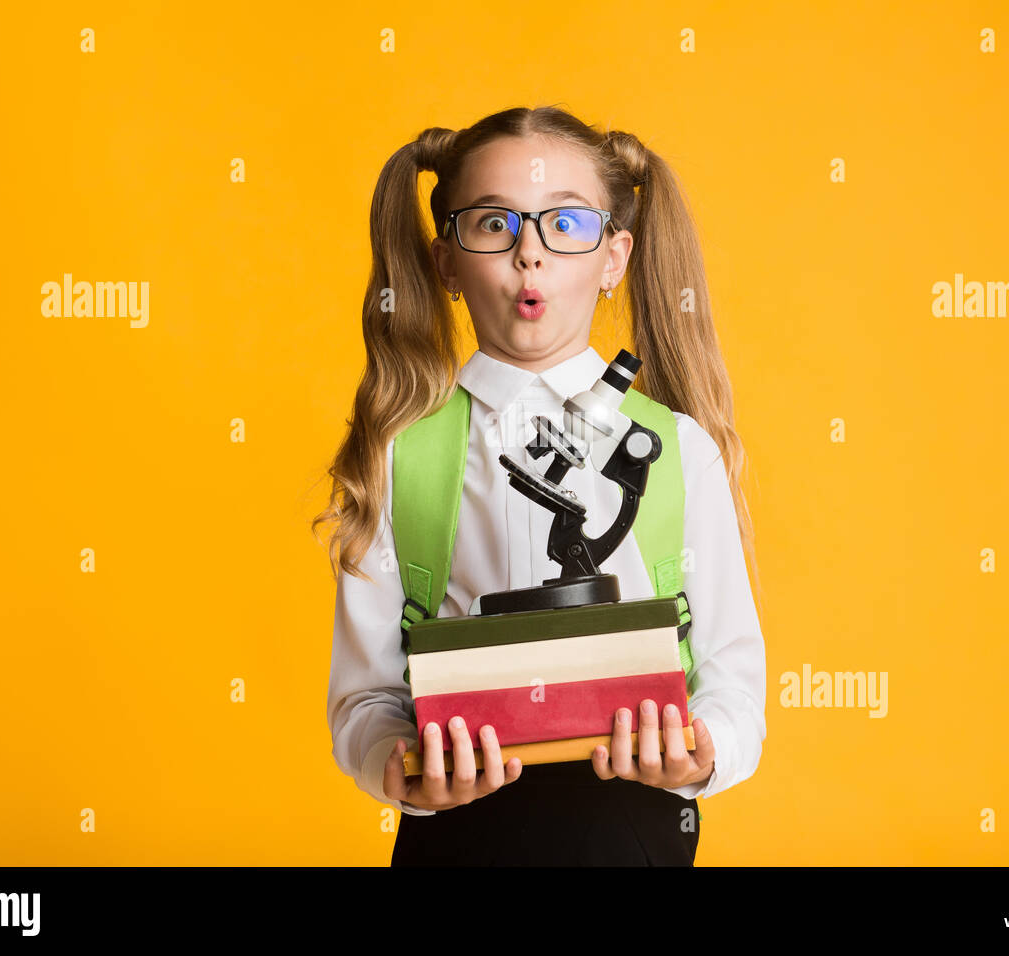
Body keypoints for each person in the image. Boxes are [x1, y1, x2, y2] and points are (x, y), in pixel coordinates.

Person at [317, 105, 766, 866]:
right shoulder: (402, 456)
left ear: (614, 258)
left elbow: (733, 678)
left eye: (567, 225)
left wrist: (701, 751)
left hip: (631, 835)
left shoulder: (677, 450)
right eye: (494, 224)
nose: (531, 254)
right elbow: (364, 700)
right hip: (456, 837)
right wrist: (395, 763)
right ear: (446, 264)